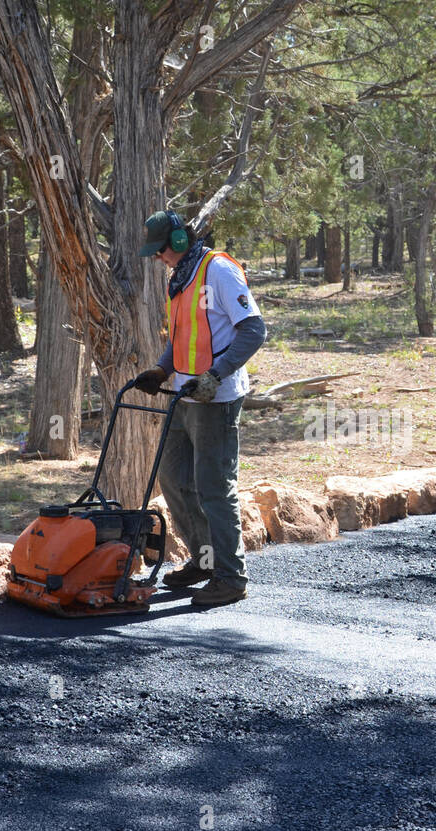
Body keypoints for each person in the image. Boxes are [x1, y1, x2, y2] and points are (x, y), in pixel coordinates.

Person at [131, 211, 267, 607]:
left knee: (214, 488)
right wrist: (161, 369)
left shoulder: (218, 271)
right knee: (174, 480)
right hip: (184, 394)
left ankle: (230, 577)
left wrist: (215, 375)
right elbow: (182, 334)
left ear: (176, 242)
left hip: (216, 399)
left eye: (160, 252)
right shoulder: (181, 277)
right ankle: (204, 560)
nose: (158, 259)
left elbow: (254, 330)